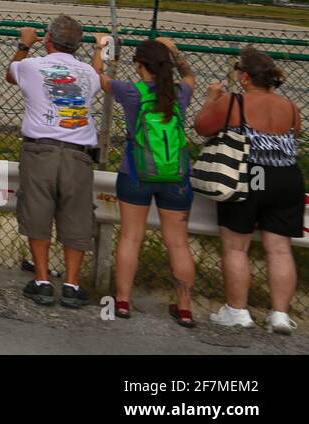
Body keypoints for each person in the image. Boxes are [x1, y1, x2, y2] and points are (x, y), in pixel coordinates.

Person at [195, 48, 303, 335]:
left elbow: (202, 127)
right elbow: (296, 133)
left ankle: (237, 311)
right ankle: (279, 314)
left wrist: (211, 99)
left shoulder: (235, 101)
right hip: (288, 177)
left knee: (236, 246)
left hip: (251, 174)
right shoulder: (290, 106)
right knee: (280, 249)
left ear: (244, 77)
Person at [91, 35, 197, 325]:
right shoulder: (180, 92)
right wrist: (175, 51)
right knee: (178, 243)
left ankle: (123, 301)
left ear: (138, 65)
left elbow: (98, 78)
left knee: (130, 237)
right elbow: (190, 76)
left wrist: (100, 48)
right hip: (176, 176)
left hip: (135, 173)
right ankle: (185, 307)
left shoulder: (131, 91)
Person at [7, 16, 101, 309]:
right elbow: (97, 76)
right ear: (77, 44)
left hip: (41, 150)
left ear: (48, 39)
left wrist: (24, 43)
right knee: (76, 215)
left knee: (38, 212)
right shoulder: (88, 72)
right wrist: (99, 49)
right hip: (78, 153)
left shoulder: (33, 66)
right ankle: (72, 284)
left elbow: (11, 74)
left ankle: (42, 280)